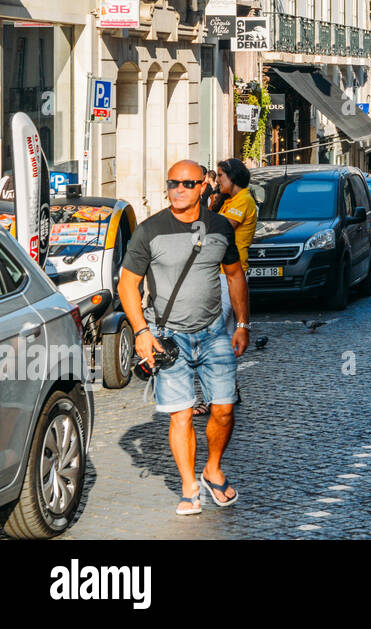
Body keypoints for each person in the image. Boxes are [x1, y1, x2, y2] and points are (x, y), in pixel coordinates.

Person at [117, 160, 250, 515]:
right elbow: (127, 284)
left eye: (187, 184)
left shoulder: (220, 227)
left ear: (203, 186)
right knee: (181, 415)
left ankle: (213, 468)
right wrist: (142, 333)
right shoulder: (149, 230)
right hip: (166, 338)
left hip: (214, 334)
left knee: (223, 409)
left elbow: (235, 275)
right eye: (173, 183)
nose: (179, 189)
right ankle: (189, 485)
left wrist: (242, 323)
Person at [193, 159, 257, 416]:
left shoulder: (243, 201)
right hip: (220, 273)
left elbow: (217, 230)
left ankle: (214, 397)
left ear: (233, 177)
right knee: (224, 337)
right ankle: (228, 391)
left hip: (227, 274)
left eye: (220, 176)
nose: (217, 180)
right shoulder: (229, 201)